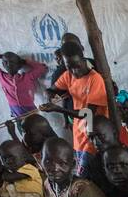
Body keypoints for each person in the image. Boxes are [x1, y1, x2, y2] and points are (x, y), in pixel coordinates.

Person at [41, 40, 111, 172]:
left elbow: (88, 114)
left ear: (83, 59)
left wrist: (58, 109)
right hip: (78, 136)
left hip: (93, 135)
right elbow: (51, 90)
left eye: (77, 65)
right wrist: (49, 95)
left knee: (84, 175)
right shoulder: (68, 76)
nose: (74, 71)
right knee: (82, 174)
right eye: (69, 66)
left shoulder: (95, 79)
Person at [0, 50, 47, 121]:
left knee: (36, 127)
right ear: (3, 64)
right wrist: (0, 56)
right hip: (16, 112)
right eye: (5, 62)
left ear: (19, 65)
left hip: (30, 110)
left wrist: (25, 61)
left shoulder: (28, 77)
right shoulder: (0, 75)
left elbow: (41, 68)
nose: (8, 64)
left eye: (12, 62)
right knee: (22, 129)